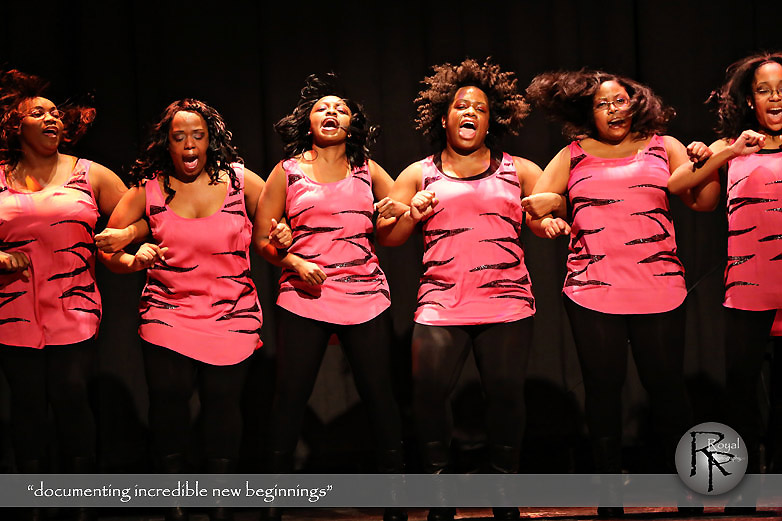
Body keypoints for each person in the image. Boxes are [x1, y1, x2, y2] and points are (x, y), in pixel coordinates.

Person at [525, 69, 717, 515]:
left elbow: (703, 202)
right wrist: (547, 221)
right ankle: (608, 492)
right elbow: (536, 208)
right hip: (593, 292)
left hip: (659, 289)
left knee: (668, 390)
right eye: (601, 103)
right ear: (587, 112)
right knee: (603, 390)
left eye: (620, 100)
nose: (613, 109)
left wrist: (706, 160)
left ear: (636, 104)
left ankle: (689, 489)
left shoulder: (663, 146)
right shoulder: (571, 155)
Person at [378, 59, 555, 521]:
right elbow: (388, 236)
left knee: (505, 396)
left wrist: (549, 215)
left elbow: (542, 219)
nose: (470, 112)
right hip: (440, 303)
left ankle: (503, 494)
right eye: (461, 105)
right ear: (445, 117)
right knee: (428, 394)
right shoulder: (419, 173)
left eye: (479, 106)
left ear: (491, 118)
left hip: (506, 302)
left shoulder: (520, 170)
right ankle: (439, 496)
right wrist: (412, 213)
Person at [104, 98, 289, 521]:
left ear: (211, 141)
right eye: (179, 136)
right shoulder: (149, 188)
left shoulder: (242, 182)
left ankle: (220, 501)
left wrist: (283, 230)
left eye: (198, 136)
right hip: (167, 313)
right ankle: (173, 502)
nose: (189, 145)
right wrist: (133, 255)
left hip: (232, 316)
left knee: (223, 408)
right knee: (169, 405)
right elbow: (109, 248)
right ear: (166, 144)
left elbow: (283, 221)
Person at [252, 73, 407, 521]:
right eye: (322, 108)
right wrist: (291, 258)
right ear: (308, 123)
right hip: (304, 296)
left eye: (341, 108)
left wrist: (397, 211)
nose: (332, 113)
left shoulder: (369, 169)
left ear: (352, 123)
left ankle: (394, 498)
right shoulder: (287, 172)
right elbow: (262, 240)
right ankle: (273, 503)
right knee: (290, 397)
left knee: (380, 395)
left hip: (365, 296)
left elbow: (394, 223)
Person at [0, 69, 147, 521]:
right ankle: (30, 504)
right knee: (25, 403)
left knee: (69, 393)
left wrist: (124, 237)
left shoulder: (90, 174)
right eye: (38, 113)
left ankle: (79, 502)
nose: (51, 119)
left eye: (55, 114)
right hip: (13, 308)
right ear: (14, 126)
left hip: (73, 304)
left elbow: (146, 214)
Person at [668, 51, 782, 476]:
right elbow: (680, 186)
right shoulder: (730, 148)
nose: (775, 99)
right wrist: (723, 153)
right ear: (751, 100)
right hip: (748, 291)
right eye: (765, 91)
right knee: (741, 390)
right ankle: (746, 483)